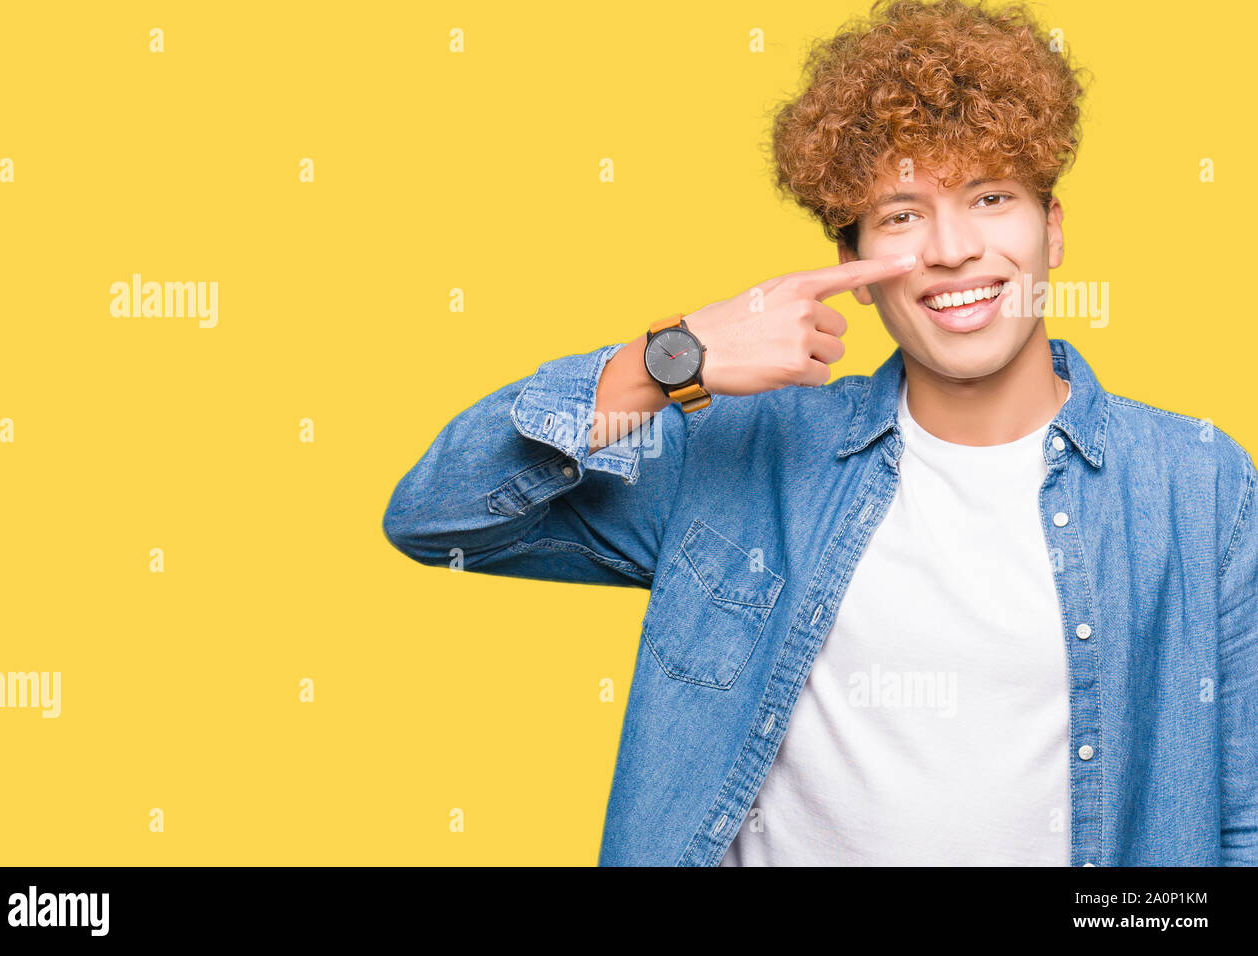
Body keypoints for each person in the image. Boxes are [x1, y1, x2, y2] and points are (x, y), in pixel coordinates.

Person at [382, 0, 1258, 866]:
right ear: (854, 267)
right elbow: (438, 516)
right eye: (904, 214)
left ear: (1053, 230)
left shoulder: (1196, 481)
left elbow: (1242, 818)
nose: (953, 248)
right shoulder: (739, 448)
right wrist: (667, 360)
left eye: (991, 196)